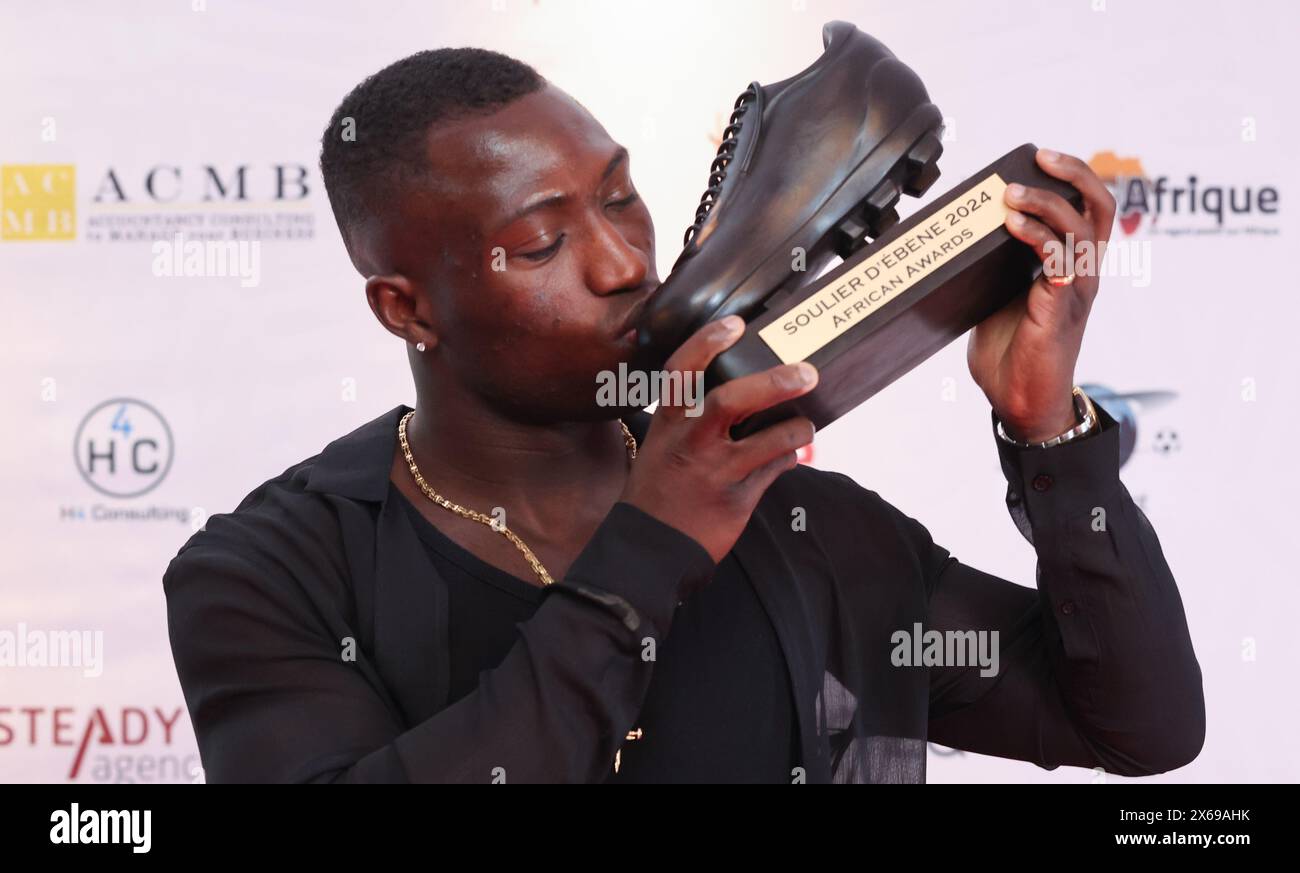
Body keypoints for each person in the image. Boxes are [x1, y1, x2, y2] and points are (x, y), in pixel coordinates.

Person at [162, 47, 1205, 783]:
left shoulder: (802, 527)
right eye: (539, 246)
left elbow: (1139, 727)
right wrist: (648, 550)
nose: (623, 264)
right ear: (407, 308)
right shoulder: (270, 573)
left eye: (619, 198)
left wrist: (1048, 436)